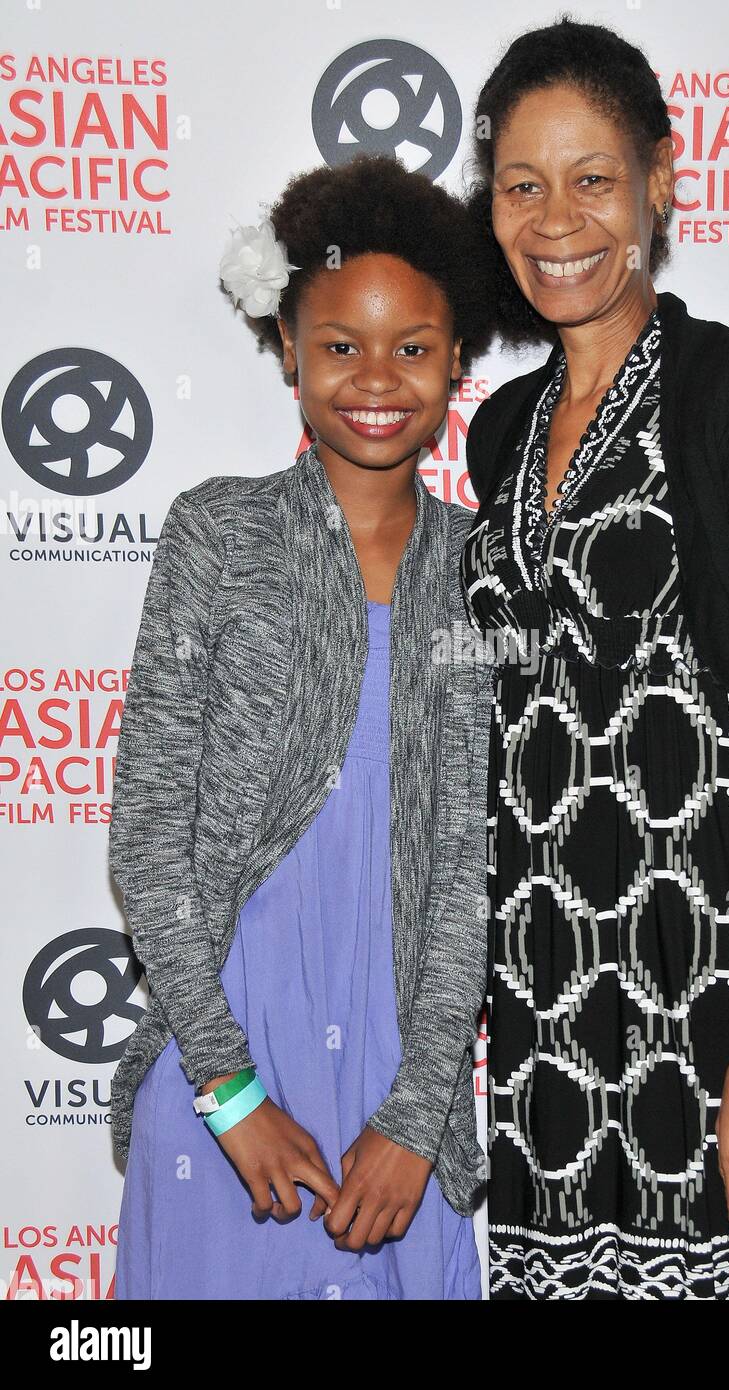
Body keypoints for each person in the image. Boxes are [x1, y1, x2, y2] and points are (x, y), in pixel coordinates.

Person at [461, 18, 729, 1299]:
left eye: (591, 178)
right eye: (521, 185)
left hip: (706, 992)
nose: (555, 218)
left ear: (660, 180)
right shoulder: (498, 433)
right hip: (540, 1010)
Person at [109, 153, 494, 1300]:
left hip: (399, 1102)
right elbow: (145, 838)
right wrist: (229, 1095)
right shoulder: (216, 536)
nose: (375, 377)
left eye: (413, 347)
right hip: (223, 1091)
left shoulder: (486, 569)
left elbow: (472, 869)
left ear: (457, 358)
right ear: (288, 346)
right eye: (339, 345)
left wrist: (419, 1118)